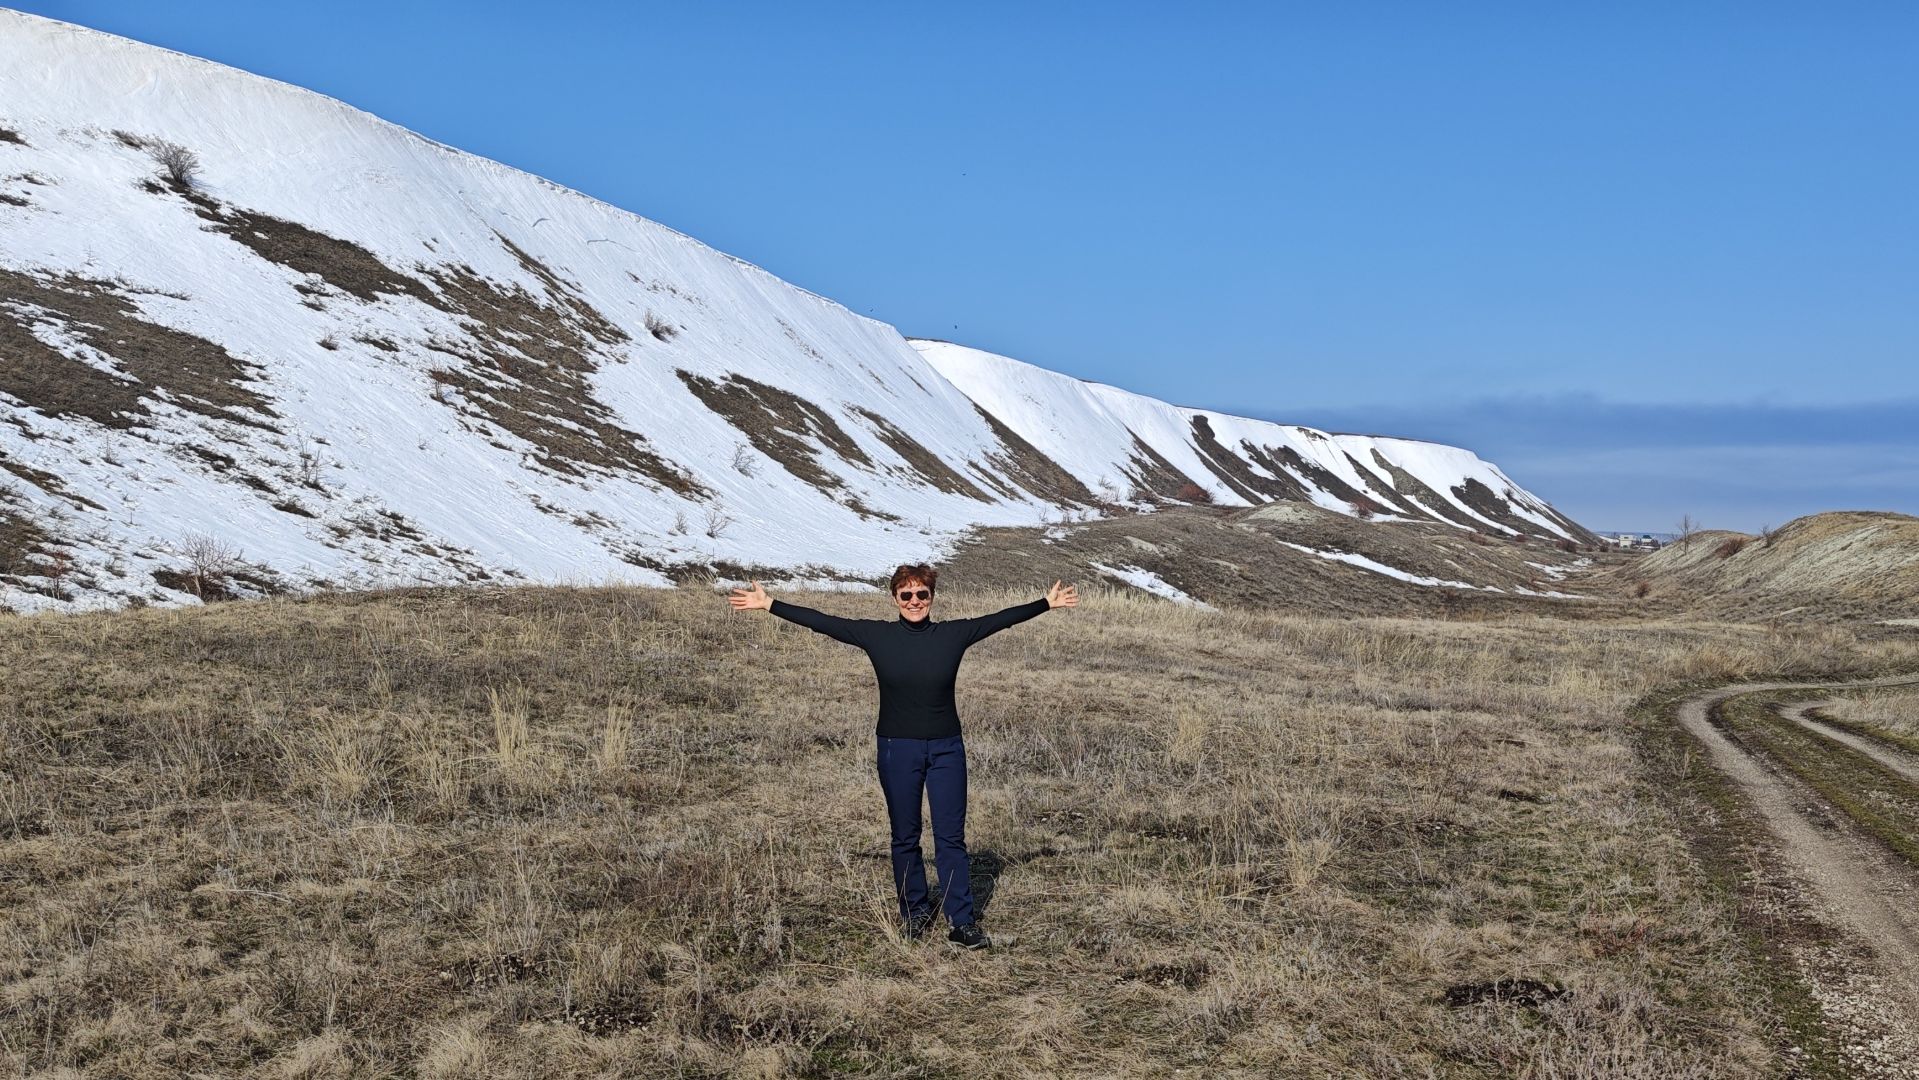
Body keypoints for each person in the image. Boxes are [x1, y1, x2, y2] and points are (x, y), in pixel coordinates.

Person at [729, 564, 1077, 949]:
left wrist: (1046, 603)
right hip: (897, 749)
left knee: (951, 838)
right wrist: (770, 604)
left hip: (947, 749)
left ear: (932, 597)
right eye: (906, 595)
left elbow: (1000, 620)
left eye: (922, 594)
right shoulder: (876, 636)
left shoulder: (953, 635)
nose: (915, 602)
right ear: (895, 598)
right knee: (905, 836)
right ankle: (914, 913)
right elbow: (823, 622)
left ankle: (961, 922)